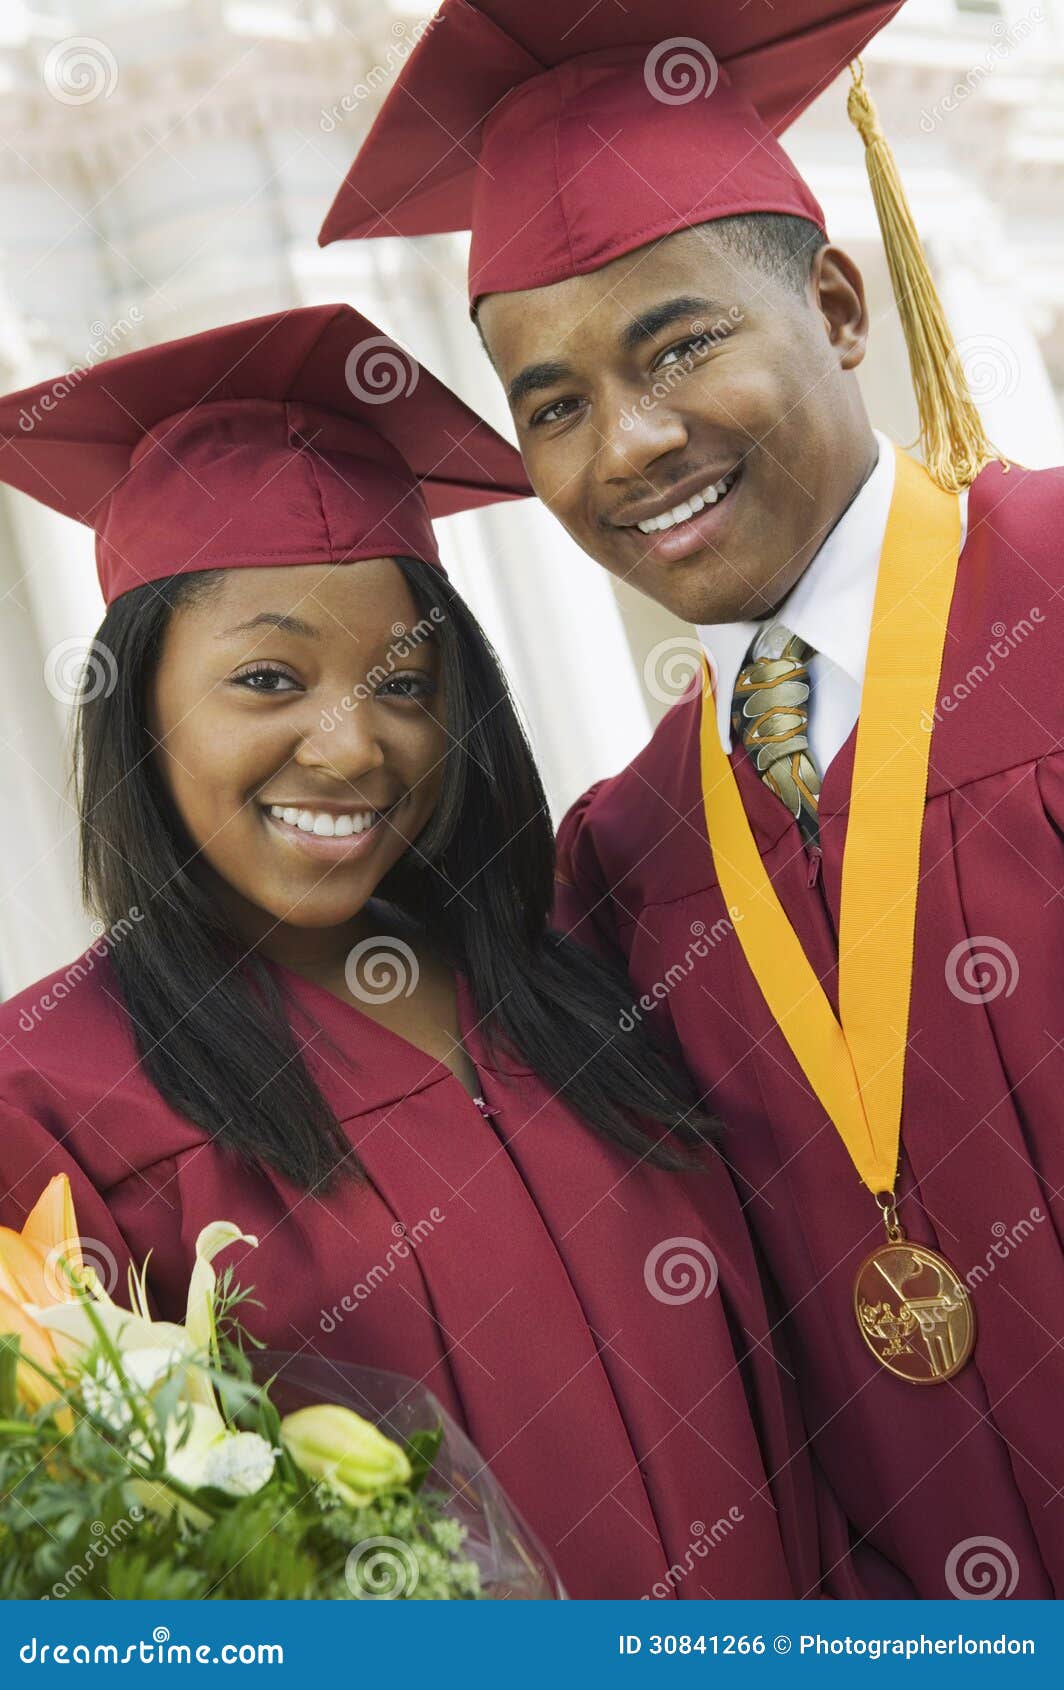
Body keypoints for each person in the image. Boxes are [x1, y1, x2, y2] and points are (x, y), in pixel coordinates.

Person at [319, 2, 1064, 1596]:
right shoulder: (625, 855)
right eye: (555, 404)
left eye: (678, 345)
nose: (632, 445)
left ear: (842, 308)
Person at [0, 303, 869, 1600]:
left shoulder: (593, 963)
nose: (353, 747)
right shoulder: (53, 1099)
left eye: (404, 682)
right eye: (268, 681)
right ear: (138, 709)